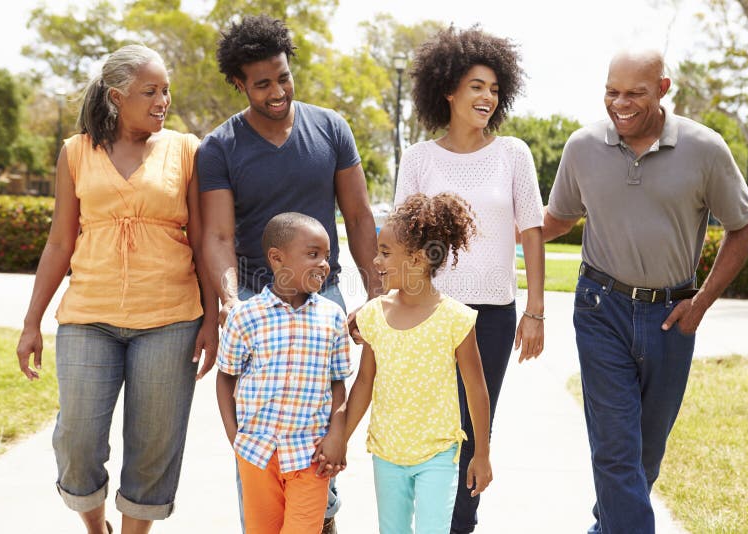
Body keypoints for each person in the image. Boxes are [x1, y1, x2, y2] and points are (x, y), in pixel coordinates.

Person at [543, 49, 748, 534]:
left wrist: (700, 303)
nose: (620, 103)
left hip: (671, 317)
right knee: (616, 448)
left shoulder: (705, 149)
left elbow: (740, 229)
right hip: (600, 308)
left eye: (635, 92)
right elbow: (557, 217)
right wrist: (491, 224)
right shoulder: (582, 147)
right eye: (611, 91)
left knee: (645, 453)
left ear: (663, 88)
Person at [15, 45, 218, 534]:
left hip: (170, 320)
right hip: (89, 316)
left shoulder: (186, 150)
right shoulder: (76, 151)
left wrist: (212, 318)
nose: (162, 100)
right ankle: (95, 527)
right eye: (150, 91)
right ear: (116, 96)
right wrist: (30, 322)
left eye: (166, 90)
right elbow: (60, 240)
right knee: (77, 441)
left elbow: (201, 236)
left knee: (153, 449)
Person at [198, 14, 380, 534]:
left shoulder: (331, 128)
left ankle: (317, 519)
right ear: (239, 84)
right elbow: (217, 237)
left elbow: (361, 217)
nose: (277, 91)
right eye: (262, 83)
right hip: (257, 293)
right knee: (261, 431)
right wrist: (232, 300)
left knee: (322, 423)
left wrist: (377, 296)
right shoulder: (220, 147)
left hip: (325, 295)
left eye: (283, 77)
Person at [394, 26, 545, 533]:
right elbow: (401, 242)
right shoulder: (417, 159)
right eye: (477, 86)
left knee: (475, 428)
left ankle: (461, 524)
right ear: (449, 90)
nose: (487, 97)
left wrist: (536, 311)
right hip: (429, 315)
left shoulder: (514, 155)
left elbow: (532, 231)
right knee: (428, 431)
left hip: (493, 319)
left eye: (495, 90)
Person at [344, 192, 492, 534]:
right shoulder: (374, 315)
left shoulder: (455, 319)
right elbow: (364, 382)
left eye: (385, 253)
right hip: (387, 452)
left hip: (437, 454)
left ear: (417, 259)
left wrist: (480, 454)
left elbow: (476, 390)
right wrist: (343, 437)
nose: (376, 261)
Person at [216, 212, 352, 534]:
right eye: (313, 254)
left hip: (309, 455)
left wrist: (336, 435)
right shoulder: (245, 317)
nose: (323, 264)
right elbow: (226, 376)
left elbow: (338, 384)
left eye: (327, 256)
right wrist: (234, 436)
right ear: (277, 258)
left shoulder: (333, 318)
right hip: (257, 452)